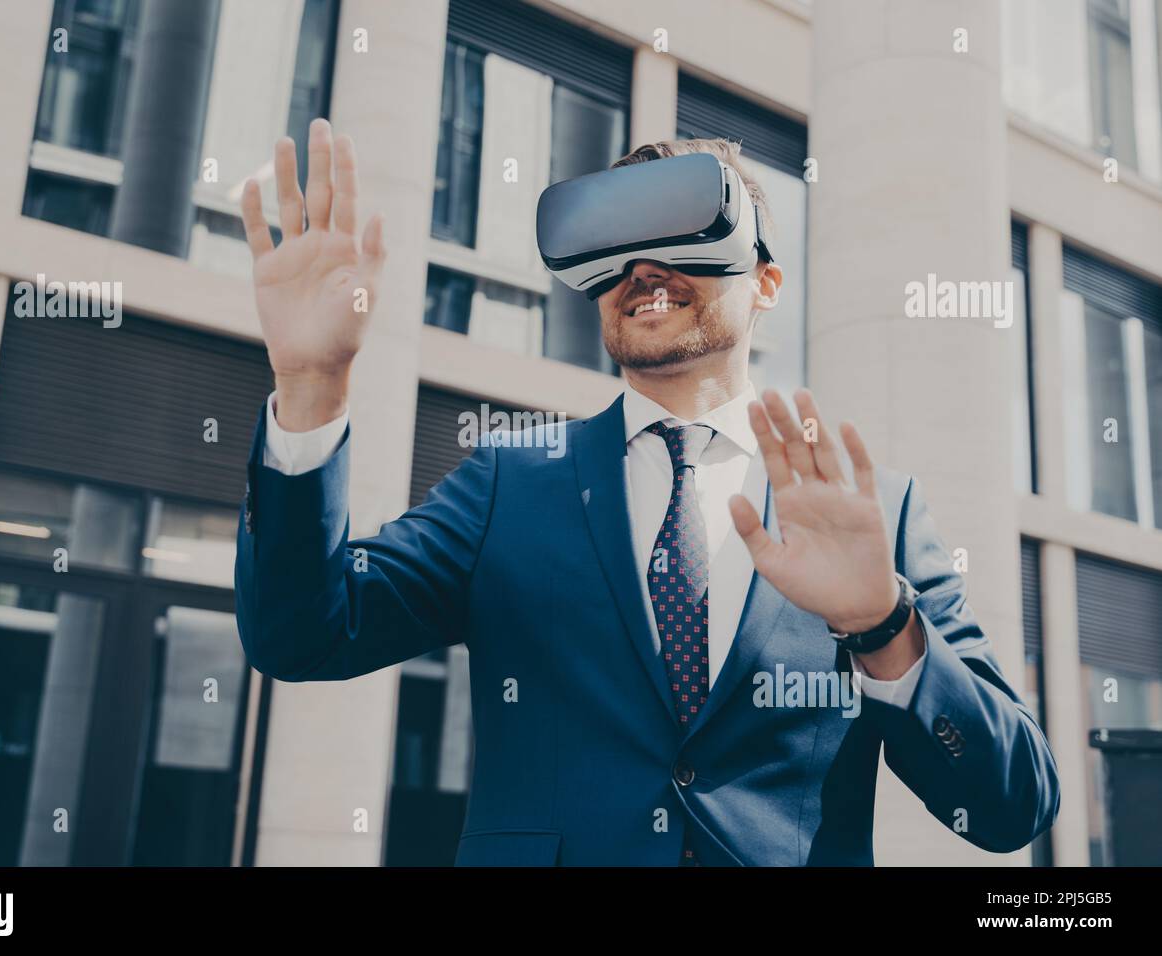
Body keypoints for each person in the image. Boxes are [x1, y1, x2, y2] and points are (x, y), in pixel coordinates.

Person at [233, 118, 1059, 866]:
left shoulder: (864, 509)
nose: (642, 271)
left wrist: (882, 625)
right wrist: (311, 387)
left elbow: (1008, 807)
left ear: (766, 283)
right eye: (615, 248)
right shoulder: (509, 483)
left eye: (683, 235)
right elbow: (303, 635)